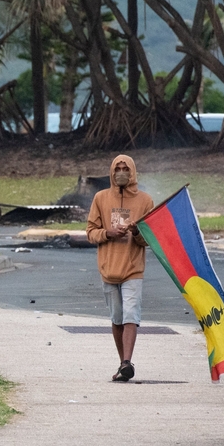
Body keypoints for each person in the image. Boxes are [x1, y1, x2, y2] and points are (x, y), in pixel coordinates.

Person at [86, 154, 155, 382]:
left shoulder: (145, 201)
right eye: (118, 168)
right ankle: (122, 364)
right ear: (112, 172)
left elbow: (149, 239)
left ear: (133, 172)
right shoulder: (100, 198)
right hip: (108, 269)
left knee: (131, 316)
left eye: (126, 168)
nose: (122, 172)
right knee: (116, 319)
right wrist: (108, 233)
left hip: (133, 269)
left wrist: (136, 232)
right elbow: (90, 232)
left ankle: (127, 362)